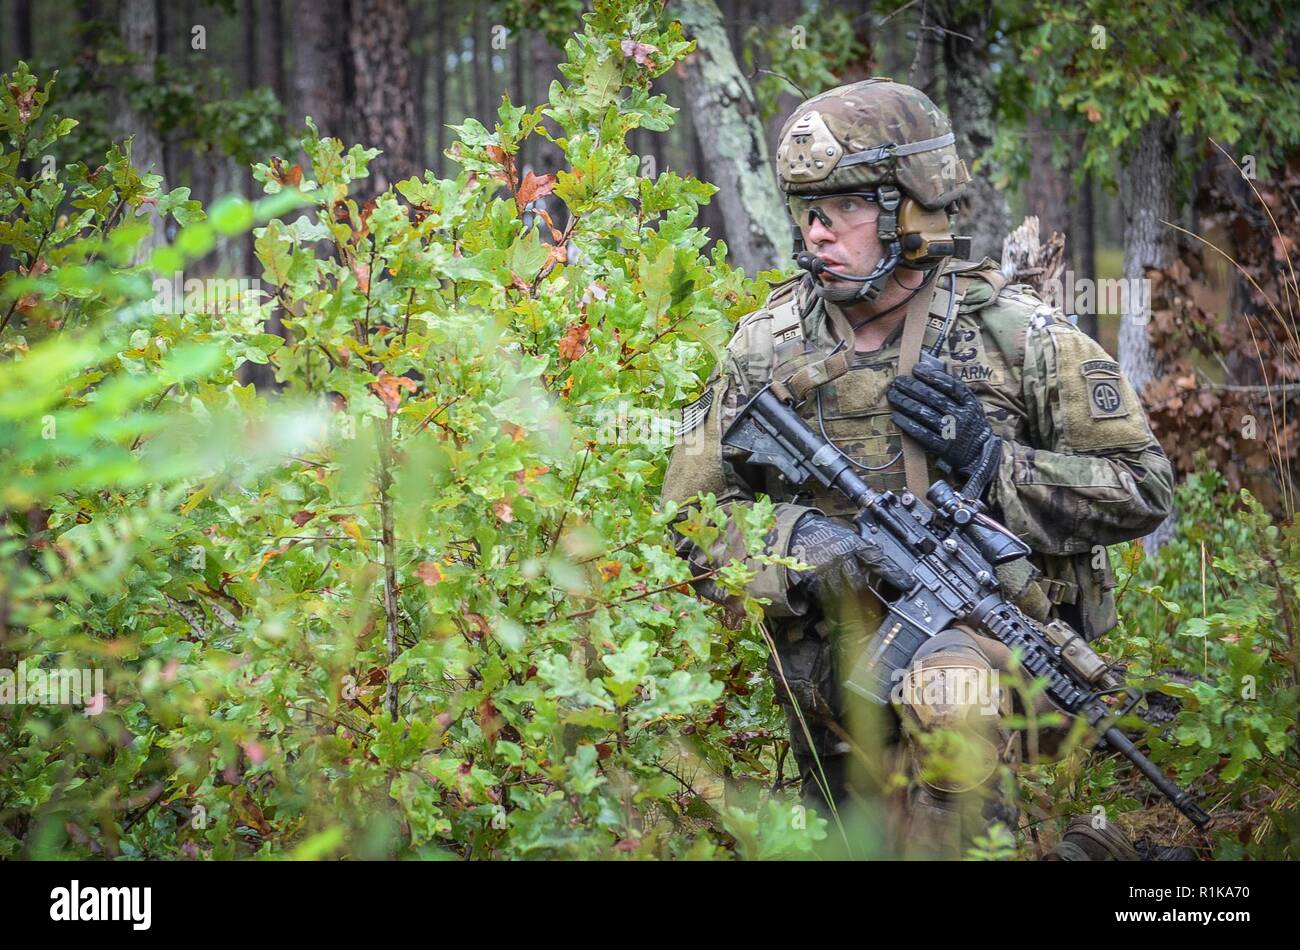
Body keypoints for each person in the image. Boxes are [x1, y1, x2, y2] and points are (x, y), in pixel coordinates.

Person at [659, 78, 1177, 859]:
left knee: (951, 694)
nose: (817, 233)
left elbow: (1143, 487)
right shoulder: (763, 349)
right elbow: (689, 521)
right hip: (833, 688)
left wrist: (993, 463)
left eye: (842, 209)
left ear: (911, 211)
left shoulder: (1016, 336)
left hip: (1000, 667)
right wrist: (798, 543)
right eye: (807, 212)